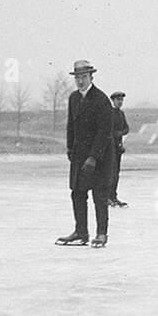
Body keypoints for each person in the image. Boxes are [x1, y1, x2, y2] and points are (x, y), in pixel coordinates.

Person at [55, 59, 115, 249]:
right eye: (77, 77)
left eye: (84, 77)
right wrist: (70, 148)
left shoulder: (101, 99)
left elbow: (104, 132)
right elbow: (71, 126)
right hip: (79, 155)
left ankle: (101, 234)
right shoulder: (73, 98)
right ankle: (81, 232)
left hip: (100, 157)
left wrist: (93, 157)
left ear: (91, 77)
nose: (80, 81)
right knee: (78, 193)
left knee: (99, 195)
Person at [108, 91, 129, 207]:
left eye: (121, 100)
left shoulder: (121, 114)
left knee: (116, 173)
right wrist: (117, 134)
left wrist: (120, 133)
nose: (120, 102)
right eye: (118, 100)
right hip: (110, 148)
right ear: (113, 100)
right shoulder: (109, 113)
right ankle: (108, 197)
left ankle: (113, 196)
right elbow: (108, 130)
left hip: (118, 148)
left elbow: (126, 128)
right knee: (110, 173)